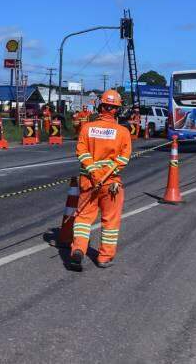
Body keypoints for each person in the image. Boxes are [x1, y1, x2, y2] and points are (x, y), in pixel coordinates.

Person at [69, 89, 132, 271]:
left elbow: (81, 152)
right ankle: (104, 257)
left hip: (88, 181)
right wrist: (104, 173)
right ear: (116, 110)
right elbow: (123, 159)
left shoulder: (87, 128)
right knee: (110, 221)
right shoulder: (122, 132)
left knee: (82, 217)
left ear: (100, 106)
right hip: (110, 184)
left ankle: (78, 249)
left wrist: (94, 172)